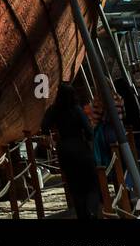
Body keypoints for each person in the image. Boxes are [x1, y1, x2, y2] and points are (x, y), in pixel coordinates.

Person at [42, 82, 102, 220]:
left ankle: (82, 215)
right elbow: (88, 131)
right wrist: (88, 139)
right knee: (91, 183)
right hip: (80, 148)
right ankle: (91, 211)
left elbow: (44, 126)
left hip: (64, 149)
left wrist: (52, 138)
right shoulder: (76, 110)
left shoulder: (54, 109)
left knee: (75, 187)